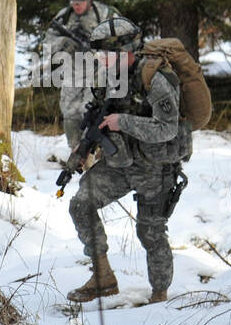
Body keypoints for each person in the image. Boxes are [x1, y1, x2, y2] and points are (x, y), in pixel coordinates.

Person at [65, 17, 192, 304]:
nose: (101, 59)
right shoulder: (109, 78)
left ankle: (160, 296)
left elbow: (167, 128)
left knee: (150, 231)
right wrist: (81, 151)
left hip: (155, 166)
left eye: (106, 53)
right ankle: (103, 277)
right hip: (120, 162)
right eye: (99, 54)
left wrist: (122, 121)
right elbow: (98, 119)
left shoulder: (157, 78)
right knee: (81, 204)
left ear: (126, 51)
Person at [43, 0, 121, 148]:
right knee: (70, 112)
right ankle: (76, 151)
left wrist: (102, 49)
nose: (76, 5)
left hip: (100, 70)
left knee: (93, 111)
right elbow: (48, 44)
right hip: (74, 70)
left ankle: (95, 152)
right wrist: (63, 44)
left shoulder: (106, 14)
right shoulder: (63, 17)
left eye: (80, 1)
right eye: (73, 1)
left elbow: (123, 40)